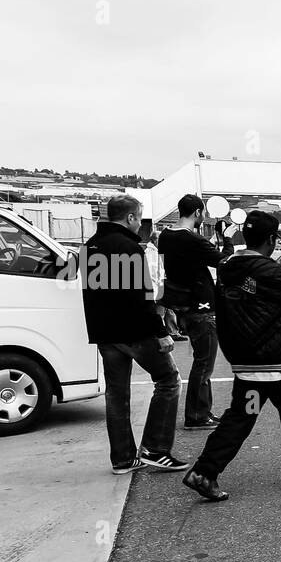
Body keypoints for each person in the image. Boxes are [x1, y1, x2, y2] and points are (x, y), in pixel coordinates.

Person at [182, 211, 281, 502]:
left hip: (249, 367)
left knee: (242, 417)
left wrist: (274, 268)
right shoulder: (269, 272)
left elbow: (257, 286)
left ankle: (204, 471)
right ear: (272, 239)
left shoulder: (228, 266)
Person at [82, 195, 188, 475]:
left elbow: (90, 293)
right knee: (168, 381)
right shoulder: (128, 247)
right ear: (130, 217)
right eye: (139, 218)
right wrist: (161, 332)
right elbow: (140, 297)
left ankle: (123, 459)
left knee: (116, 395)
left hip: (104, 333)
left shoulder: (89, 247)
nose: (140, 224)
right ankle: (156, 448)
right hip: (134, 331)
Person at [159, 195, 234, 429]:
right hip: (201, 306)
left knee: (201, 360)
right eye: (203, 213)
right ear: (198, 213)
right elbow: (225, 262)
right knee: (204, 363)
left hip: (182, 305)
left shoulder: (166, 236)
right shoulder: (192, 239)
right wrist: (227, 239)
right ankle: (197, 415)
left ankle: (201, 411)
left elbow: (190, 258)